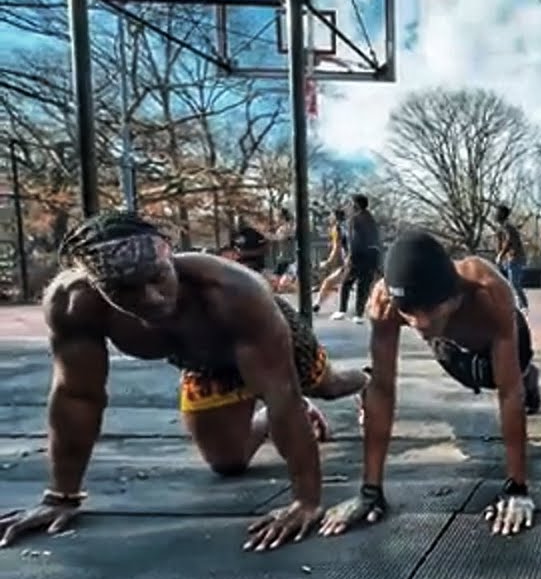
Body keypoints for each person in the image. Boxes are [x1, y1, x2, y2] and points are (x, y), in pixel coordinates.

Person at [0, 213, 370, 553]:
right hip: (202, 362)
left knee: (329, 384)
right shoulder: (73, 303)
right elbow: (77, 396)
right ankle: (281, 420)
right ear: (98, 287)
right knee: (227, 463)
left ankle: (366, 380)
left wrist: (306, 501)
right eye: (124, 290)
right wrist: (60, 497)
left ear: (170, 256)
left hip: (265, 346)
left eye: (157, 278)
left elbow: (280, 394)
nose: (150, 298)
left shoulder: (233, 291)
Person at [319, 230, 541, 537]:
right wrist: (369, 491)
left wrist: (517, 487)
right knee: (463, 369)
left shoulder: (487, 290)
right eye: (409, 313)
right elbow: (383, 389)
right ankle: (473, 359)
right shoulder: (385, 302)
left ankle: (531, 375)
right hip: (449, 343)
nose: (419, 323)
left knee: (505, 378)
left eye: (431, 311)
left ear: (454, 296)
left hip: (503, 337)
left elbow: (508, 395)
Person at [334, 194, 380, 323]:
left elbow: (354, 240)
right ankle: (358, 315)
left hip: (359, 254)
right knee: (363, 285)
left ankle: (342, 310)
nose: (349, 206)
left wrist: (350, 256)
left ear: (356, 205)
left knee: (346, 282)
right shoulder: (371, 218)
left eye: (351, 203)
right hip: (372, 254)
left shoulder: (354, 219)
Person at [494, 204, 529, 311]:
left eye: (498, 212)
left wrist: (501, 255)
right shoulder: (502, 228)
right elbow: (501, 242)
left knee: (514, 283)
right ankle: (518, 305)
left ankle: (523, 306)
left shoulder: (508, 227)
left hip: (516, 258)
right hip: (510, 259)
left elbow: (509, 242)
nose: (496, 214)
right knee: (511, 283)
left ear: (503, 214)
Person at [314, 208, 349, 314]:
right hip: (354, 259)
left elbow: (337, 248)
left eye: (331, 216)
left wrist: (328, 262)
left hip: (350, 260)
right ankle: (317, 304)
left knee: (328, 282)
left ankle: (317, 304)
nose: (329, 218)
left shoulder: (337, 228)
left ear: (335, 217)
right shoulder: (346, 226)